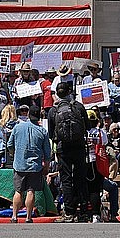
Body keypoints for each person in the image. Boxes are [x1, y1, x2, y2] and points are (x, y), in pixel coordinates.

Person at [47, 80, 89, 223]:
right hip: (79, 147)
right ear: (69, 92)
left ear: (57, 94)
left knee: (66, 180)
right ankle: (84, 211)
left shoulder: (54, 110)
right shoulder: (78, 107)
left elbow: (51, 133)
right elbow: (87, 127)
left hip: (63, 148)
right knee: (80, 179)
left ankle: (69, 212)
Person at [7, 104, 52, 223]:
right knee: (31, 191)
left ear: (28, 114)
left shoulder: (17, 127)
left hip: (19, 164)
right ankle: (28, 217)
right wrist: (46, 167)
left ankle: (14, 216)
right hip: (34, 166)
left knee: (18, 191)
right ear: (40, 116)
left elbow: (9, 145)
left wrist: (14, 154)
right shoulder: (42, 131)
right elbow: (47, 153)